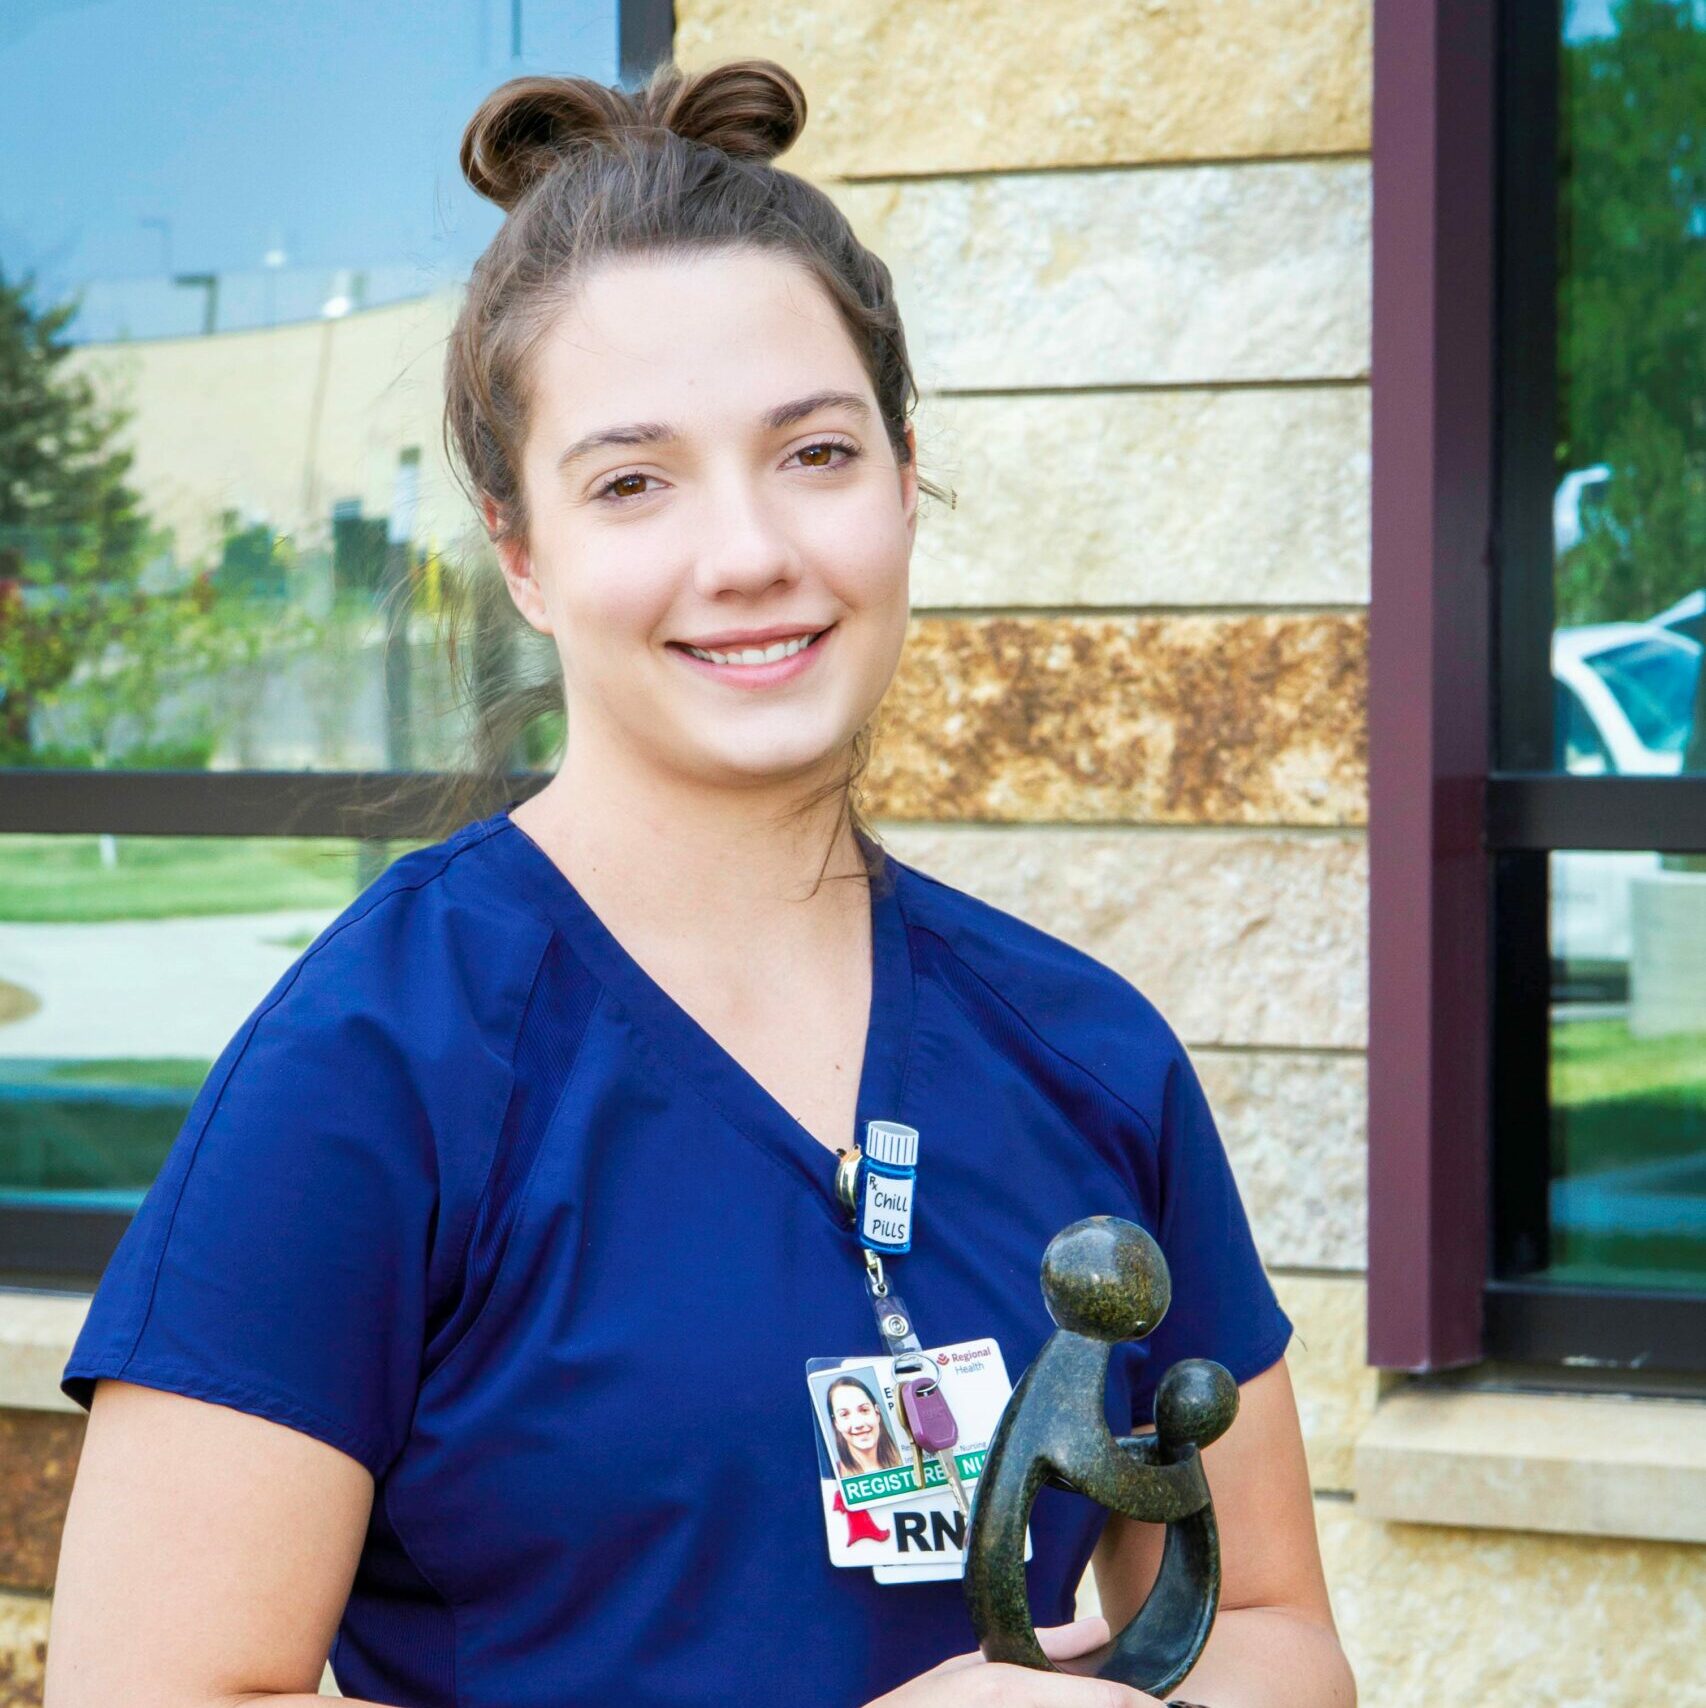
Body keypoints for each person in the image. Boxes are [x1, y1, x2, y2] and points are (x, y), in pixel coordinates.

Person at [45, 57, 1356, 1708]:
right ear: (522, 551)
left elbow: (1270, 1626)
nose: (746, 549)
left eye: (812, 453)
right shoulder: (371, 1070)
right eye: (632, 480)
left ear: (903, 479)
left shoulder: (1086, 1052)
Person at [825, 1373, 905, 1477]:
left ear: (877, 1413)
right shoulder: (832, 1476)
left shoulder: (906, 1460)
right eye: (844, 1414)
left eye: (864, 1410)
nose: (858, 1424)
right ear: (836, 1423)